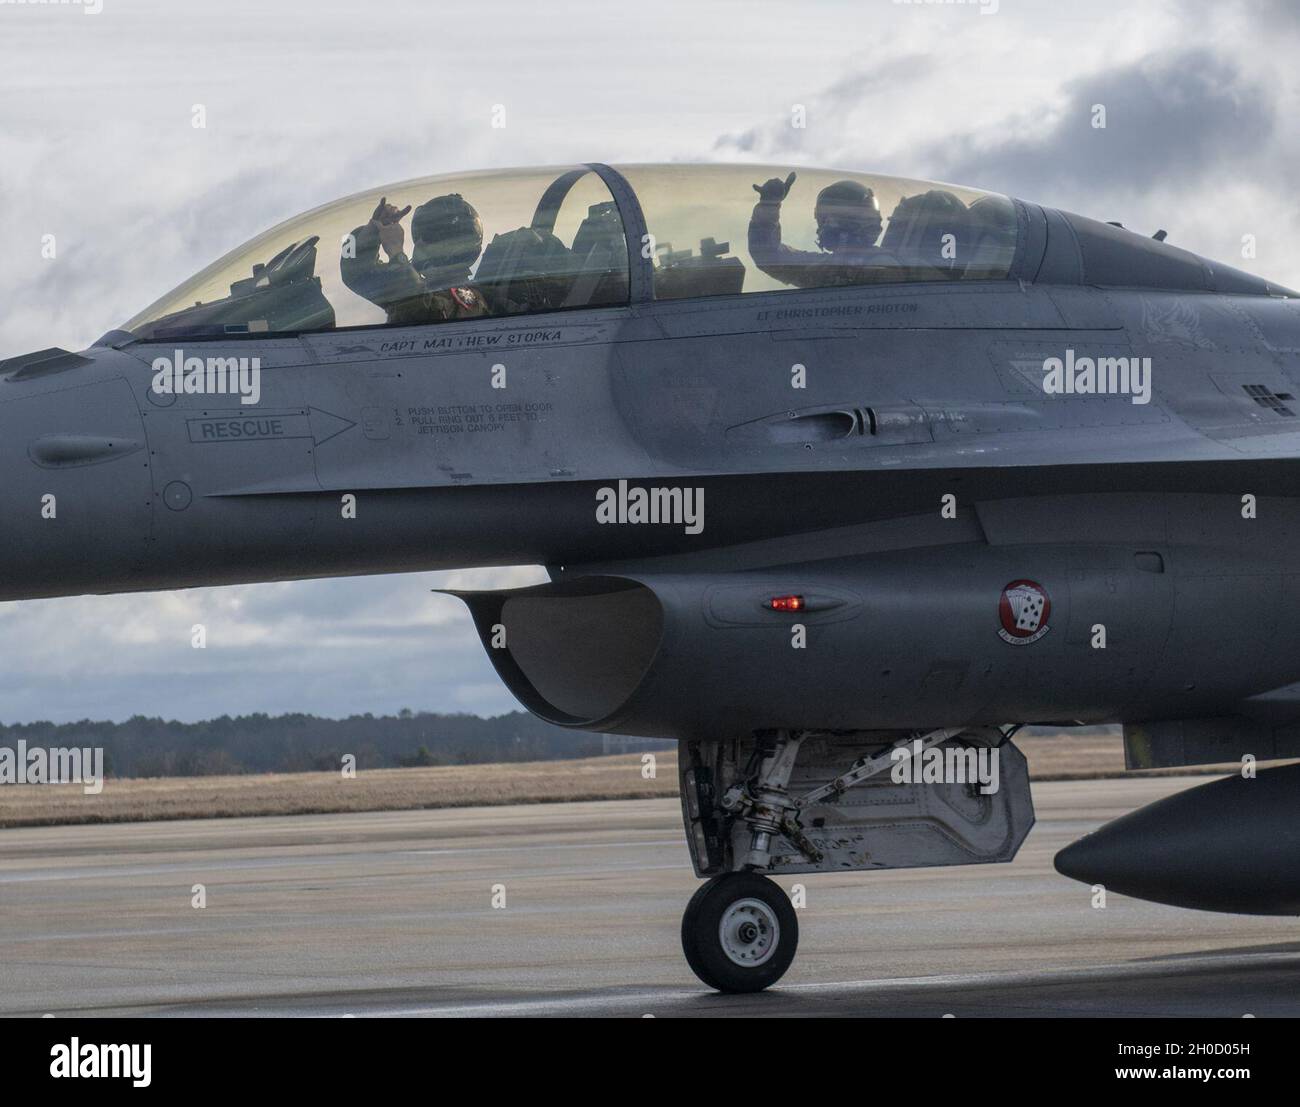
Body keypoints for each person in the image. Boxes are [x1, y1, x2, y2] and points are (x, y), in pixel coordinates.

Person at [341, 193, 488, 324]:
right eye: (418, 234)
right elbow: (354, 275)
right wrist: (373, 231)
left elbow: (424, 315)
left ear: (457, 244)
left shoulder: (472, 299)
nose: (419, 243)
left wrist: (397, 255)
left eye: (430, 235)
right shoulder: (407, 287)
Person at [748, 172, 896, 288]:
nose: (825, 225)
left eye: (834, 217)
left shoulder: (886, 269)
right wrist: (768, 207)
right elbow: (768, 256)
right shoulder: (827, 268)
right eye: (823, 218)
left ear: (859, 220)